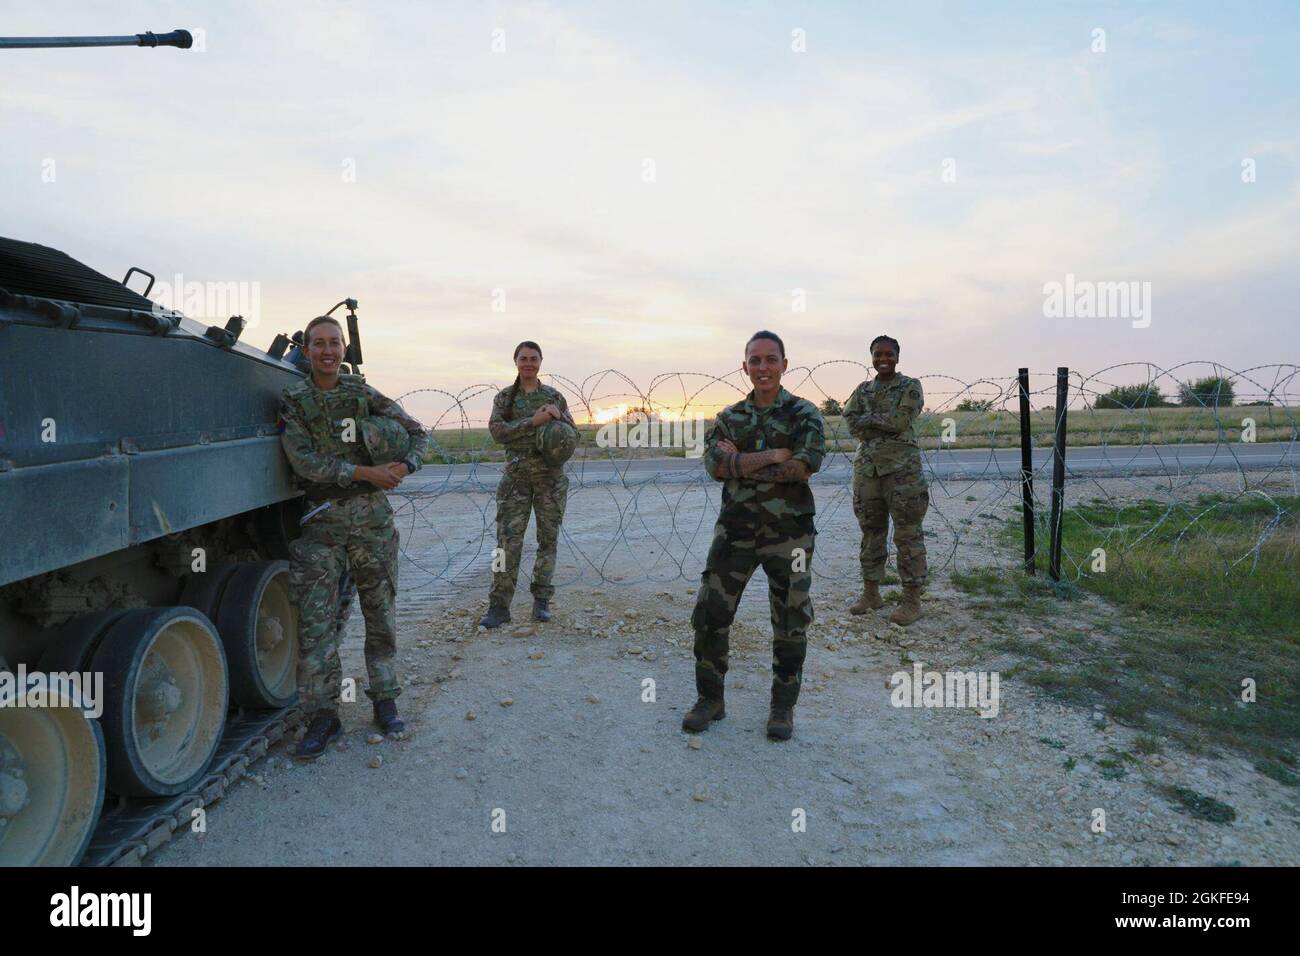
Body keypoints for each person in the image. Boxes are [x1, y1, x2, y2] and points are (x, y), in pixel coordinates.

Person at [278, 315, 430, 758]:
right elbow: (304, 462)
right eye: (318, 344)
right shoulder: (294, 400)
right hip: (321, 526)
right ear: (305, 351)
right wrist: (364, 472)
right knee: (317, 627)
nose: (327, 351)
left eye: (334, 343)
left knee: (380, 616)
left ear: (344, 349)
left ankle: (385, 700)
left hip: (373, 525)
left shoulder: (362, 394)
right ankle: (323, 716)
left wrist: (406, 467)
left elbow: (418, 434)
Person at [684, 330, 825, 741]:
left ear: (784, 364)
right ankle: (711, 700)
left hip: (790, 536)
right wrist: (771, 456)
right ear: (744, 366)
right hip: (736, 532)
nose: (762, 367)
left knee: (790, 619)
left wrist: (739, 460)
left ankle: (782, 707)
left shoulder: (804, 414)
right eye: (755, 360)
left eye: (770, 359)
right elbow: (715, 466)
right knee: (710, 614)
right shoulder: (730, 417)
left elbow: (803, 466)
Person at [480, 341, 575, 628]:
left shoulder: (554, 396)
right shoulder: (506, 398)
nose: (529, 363)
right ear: (516, 362)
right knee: (507, 543)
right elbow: (498, 432)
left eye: (534, 358)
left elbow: (573, 434)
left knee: (548, 540)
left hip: (550, 476)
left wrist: (558, 418)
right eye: (524, 358)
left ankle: (542, 602)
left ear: (540, 362)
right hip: (516, 476)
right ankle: (499, 606)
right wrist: (533, 423)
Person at [842, 334, 928, 626]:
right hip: (868, 471)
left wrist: (870, 419)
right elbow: (851, 421)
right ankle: (871, 594)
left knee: (907, 533)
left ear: (897, 356)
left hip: (902, 471)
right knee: (871, 531)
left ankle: (912, 600)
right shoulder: (863, 389)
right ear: (871, 357)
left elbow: (900, 422)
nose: (883, 359)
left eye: (889, 354)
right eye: (878, 354)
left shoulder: (910, 386)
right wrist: (879, 421)